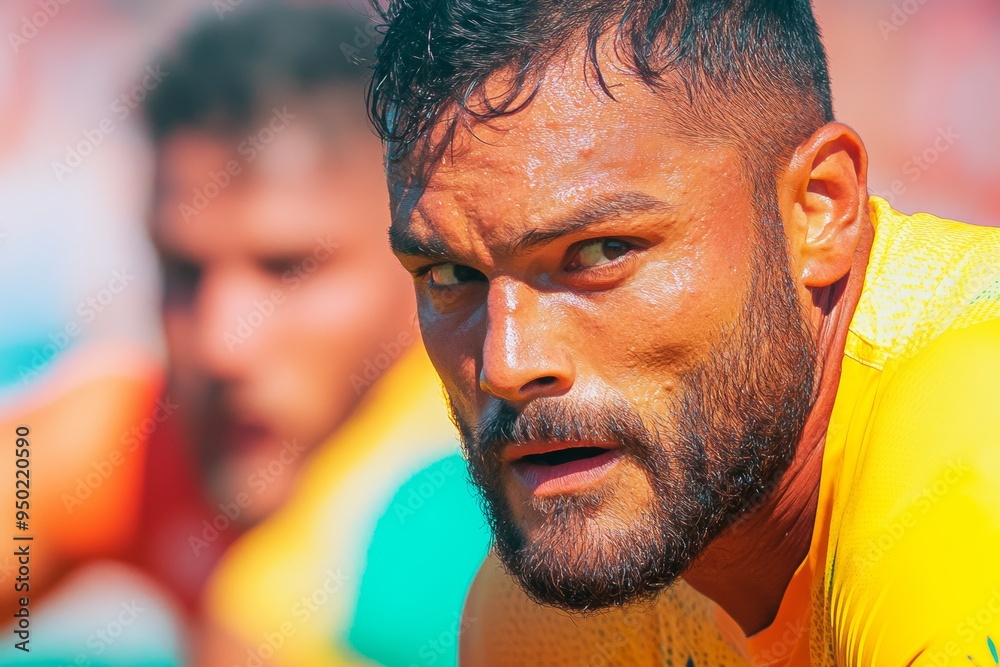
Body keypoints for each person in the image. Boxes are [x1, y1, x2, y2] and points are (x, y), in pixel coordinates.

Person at [365, 0, 1000, 664]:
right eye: (450, 273)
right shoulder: (548, 617)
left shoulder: (974, 431)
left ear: (818, 209)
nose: (508, 363)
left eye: (600, 251)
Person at [2, 6, 490, 666]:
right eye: (183, 270)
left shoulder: (471, 523)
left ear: (419, 256)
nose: (221, 343)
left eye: (289, 268)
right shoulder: (144, 434)